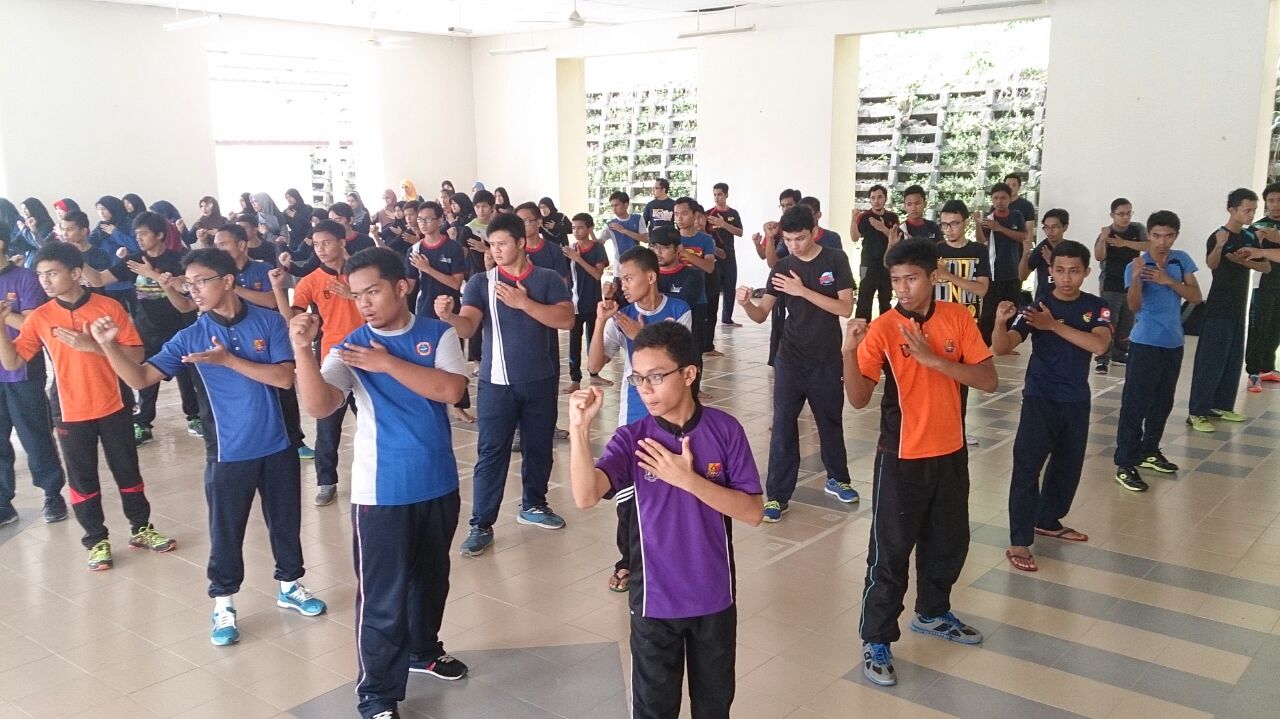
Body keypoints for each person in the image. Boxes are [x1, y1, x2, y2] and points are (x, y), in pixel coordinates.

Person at [93, 247, 326, 644]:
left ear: (228, 281)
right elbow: (141, 379)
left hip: (277, 443)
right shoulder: (191, 336)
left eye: (201, 281)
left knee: (286, 520)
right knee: (226, 530)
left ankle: (290, 584)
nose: (194, 290)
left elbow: (285, 378)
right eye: (189, 284)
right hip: (228, 452)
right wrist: (108, 345)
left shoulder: (270, 323)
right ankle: (223, 602)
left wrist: (228, 361)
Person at [291, 247, 470, 718]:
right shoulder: (349, 346)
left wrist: (387, 362)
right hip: (381, 491)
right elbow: (320, 404)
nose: (364, 303)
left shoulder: (437, 333)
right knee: (382, 597)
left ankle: (423, 651)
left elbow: (452, 389)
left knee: (432, 580)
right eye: (357, 295)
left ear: (401, 286)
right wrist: (302, 350)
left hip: (438, 482)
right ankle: (377, 696)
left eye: (372, 291)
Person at [568, 321, 763, 719]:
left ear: (689, 374)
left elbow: (753, 512)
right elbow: (586, 496)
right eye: (638, 378)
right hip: (655, 602)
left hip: (714, 598)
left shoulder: (725, 430)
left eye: (656, 376)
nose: (645, 388)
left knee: (714, 706)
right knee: (654, 709)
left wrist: (687, 481)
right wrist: (579, 431)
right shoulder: (632, 438)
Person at [843, 238, 998, 687]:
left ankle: (932, 613)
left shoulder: (958, 318)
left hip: (950, 451)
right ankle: (876, 639)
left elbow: (987, 379)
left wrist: (933, 360)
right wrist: (849, 351)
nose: (903, 288)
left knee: (948, 542)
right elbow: (857, 399)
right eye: (896, 280)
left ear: (933, 277)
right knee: (889, 553)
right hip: (902, 456)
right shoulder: (885, 327)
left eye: (911, 278)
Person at [0, 243, 175, 570]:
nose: (45, 281)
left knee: (127, 470)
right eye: (40, 275)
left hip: (114, 402)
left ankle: (141, 528)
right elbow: (13, 362)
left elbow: (137, 356)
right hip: (69, 408)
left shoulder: (109, 307)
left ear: (76, 273)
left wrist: (92, 345)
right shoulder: (39, 318)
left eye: (51, 273)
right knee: (82, 479)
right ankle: (96, 540)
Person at [434, 213, 575, 557]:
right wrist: (450, 317)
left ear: (522, 243)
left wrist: (523, 303)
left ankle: (534, 504)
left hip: (540, 379)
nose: (495, 250)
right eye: (492, 245)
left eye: (502, 244)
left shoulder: (547, 279)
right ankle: (481, 524)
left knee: (539, 446)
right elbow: (468, 328)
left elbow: (567, 319)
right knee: (491, 454)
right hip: (496, 384)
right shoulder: (481, 282)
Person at [991, 241, 1112, 573]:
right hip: (1040, 399)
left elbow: (1100, 345)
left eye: (1074, 271)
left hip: (1076, 400)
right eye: (1059, 271)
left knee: (1067, 468)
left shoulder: (1096, 306)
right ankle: (1019, 541)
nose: (1066, 278)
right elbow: (1002, 349)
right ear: (1050, 271)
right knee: (1027, 468)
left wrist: (1054, 326)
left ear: (1086, 272)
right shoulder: (1037, 306)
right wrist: (1000, 322)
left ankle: (1047, 519)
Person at [736, 205, 856, 522]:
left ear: (813, 231)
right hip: (790, 359)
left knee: (829, 421)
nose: (792, 246)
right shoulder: (782, 268)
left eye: (799, 238)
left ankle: (838, 479)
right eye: (787, 240)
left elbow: (845, 308)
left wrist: (802, 291)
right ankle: (776, 495)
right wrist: (747, 304)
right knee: (784, 426)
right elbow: (761, 315)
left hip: (826, 359)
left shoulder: (834, 259)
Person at [587, 246, 692, 593]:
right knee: (629, 499)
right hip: (633, 417)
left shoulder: (679, 311)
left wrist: (639, 337)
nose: (624, 285)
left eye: (629, 278)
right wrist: (602, 319)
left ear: (651, 276)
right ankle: (628, 561)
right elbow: (593, 365)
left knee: (671, 492)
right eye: (620, 279)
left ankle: (669, 558)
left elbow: (683, 362)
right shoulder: (623, 316)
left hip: (673, 418)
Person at [80, 212, 201, 444]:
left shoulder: (181, 259)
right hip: (146, 330)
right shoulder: (132, 262)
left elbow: (186, 287)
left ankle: (194, 417)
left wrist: (150, 274)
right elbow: (97, 279)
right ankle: (143, 423)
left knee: (187, 376)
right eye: (136, 234)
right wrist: (77, 259)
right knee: (146, 379)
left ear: (160, 234)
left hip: (181, 329)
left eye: (143, 233)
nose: (139, 238)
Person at [270, 220, 364, 506]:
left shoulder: (362, 272)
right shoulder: (310, 280)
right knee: (327, 423)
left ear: (342, 242)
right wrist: (278, 288)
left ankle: (383, 470)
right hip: (333, 355)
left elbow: (386, 304)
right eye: (316, 244)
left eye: (327, 242)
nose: (321, 249)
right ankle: (327, 481)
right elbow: (293, 321)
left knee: (376, 420)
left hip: (370, 353)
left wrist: (354, 295)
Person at [1112, 211, 1202, 492]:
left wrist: (1169, 281)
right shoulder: (1137, 264)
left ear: (1176, 235)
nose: (1162, 242)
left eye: (1168, 236)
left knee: (1163, 401)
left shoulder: (1181, 260)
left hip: (1173, 343)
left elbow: (1196, 297)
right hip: (1145, 343)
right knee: (1135, 404)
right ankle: (1125, 463)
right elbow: (1134, 305)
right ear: (1148, 235)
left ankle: (1149, 451)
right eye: (1156, 235)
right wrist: (1139, 278)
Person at [211, 223, 315, 460]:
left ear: (241, 245)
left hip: (269, 339)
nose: (219, 249)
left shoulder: (262, 270)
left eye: (224, 244)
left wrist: (233, 288)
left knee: (283, 389)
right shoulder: (214, 275)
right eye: (216, 245)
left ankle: (295, 440)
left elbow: (271, 301)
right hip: (236, 340)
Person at [0, 223, 67, 527]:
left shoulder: (25, 278)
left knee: (35, 434)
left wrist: (4, 315)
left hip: (22, 370)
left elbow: (32, 324)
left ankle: (52, 493)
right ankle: (3, 501)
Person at [1186, 188, 1269, 432]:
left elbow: (1265, 268)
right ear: (1232, 209)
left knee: (1233, 359)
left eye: (1254, 210)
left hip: (1237, 308)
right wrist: (1220, 247)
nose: (1251, 214)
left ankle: (1222, 405)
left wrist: (1244, 260)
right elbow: (1211, 264)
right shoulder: (1218, 235)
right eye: (1247, 210)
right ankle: (1197, 412)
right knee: (1211, 360)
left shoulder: (1251, 237)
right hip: (1218, 309)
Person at [934, 200, 991, 447]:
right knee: (937, 379)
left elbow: (981, 289)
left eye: (954, 224)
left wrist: (948, 276)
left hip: (968, 323)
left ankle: (958, 430)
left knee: (962, 379)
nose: (949, 229)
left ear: (965, 222)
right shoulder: (933, 250)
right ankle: (938, 430)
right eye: (944, 224)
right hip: (938, 324)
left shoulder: (978, 251)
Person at [1092, 198, 1149, 373]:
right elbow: (1099, 256)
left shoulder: (1137, 228)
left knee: (1127, 321)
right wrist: (1103, 239)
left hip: (1131, 282)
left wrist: (1125, 243)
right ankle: (1103, 358)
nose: (1126, 217)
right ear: (1112, 215)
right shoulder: (1106, 232)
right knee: (1110, 322)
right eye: (1121, 214)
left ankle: (1120, 354)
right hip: (1110, 283)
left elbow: (1148, 245)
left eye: (1129, 213)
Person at [652, 227, 708, 399]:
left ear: (678, 249)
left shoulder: (693, 275)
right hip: (656, 334)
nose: (658, 252)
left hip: (687, 332)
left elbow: (682, 304)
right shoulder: (650, 275)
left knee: (689, 365)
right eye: (654, 247)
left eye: (665, 247)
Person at [563, 212, 611, 393]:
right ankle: (575, 379)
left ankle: (594, 373)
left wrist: (578, 259)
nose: (576, 231)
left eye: (580, 227)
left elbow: (597, 274)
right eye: (574, 227)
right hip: (574, 303)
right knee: (574, 341)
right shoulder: (570, 249)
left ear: (590, 228)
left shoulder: (597, 248)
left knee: (594, 339)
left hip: (593, 301)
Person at [975, 182, 1029, 343]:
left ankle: (1005, 342)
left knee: (1011, 309)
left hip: (1013, 271)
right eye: (996, 198)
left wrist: (1000, 228)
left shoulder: (1016, 215)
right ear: (991, 199)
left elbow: (1023, 236)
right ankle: (983, 343)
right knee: (989, 311)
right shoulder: (988, 218)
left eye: (1003, 198)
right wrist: (978, 224)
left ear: (1010, 198)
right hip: (993, 272)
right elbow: (980, 240)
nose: (999, 201)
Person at [673, 198, 717, 359]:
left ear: (695, 215)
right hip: (674, 297)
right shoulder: (671, 238)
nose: (679, 218)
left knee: (696, 346)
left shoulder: (705, 240)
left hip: (698, 299)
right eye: (676, 214)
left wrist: (685, 254)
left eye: (684, 214)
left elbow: (709, 266)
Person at [1246, 182, 1280, 391]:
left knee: (1276, 326)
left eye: (1279, 200)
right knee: (1259, 325)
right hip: (1264, 284)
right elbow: (1250, 253)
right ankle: (1253, 371)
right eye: (1271, 200)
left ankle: (1268, 367)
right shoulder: (1257, 227)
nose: (1276, 204)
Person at [851, 184, 899, 320]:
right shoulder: (864, 217)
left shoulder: (892, 217)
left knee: (886, 298)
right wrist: (853, 221)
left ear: (885, 199)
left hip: (887, 264)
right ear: (870, 200)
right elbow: (854, 237)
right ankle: (861, 333)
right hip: (867, 263)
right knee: (864, 296)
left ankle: (884, 330)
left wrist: (883, 228)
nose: (876, 201)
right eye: (873, 198)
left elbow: (896, 238)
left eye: (879, 197)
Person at [706, 183, 744, 326]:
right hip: (712, 256)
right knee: (713, 288)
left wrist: (723, 224)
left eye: (720, 194)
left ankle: (727, 319)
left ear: (726, 195)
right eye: (715, 194)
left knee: (729, 287)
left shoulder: (733, 213)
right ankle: (709, 319)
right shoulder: (708, 213)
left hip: (729, 255)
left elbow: (740, 233)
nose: (717, 197)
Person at [1022, 208, 1070, 300]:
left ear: (1065, 227)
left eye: (1054, 227)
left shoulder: (1071, 248)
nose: (1050, 231)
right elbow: (1022, 276)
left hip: (1066, 298)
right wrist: (1025, 253)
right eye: (1046, 227)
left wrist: (1052, 261)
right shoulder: (1042, 248)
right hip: (1043, 299)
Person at [604, 190, 647, 262]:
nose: (614, 209)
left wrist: (624, 231)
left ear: (626, 205)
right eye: (612, 206)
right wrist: (591, 232)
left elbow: (645, 239)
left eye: (617, 205)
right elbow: (599, 242)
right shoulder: (610, 224)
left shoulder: (637, 218)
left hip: (636, 260)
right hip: (619, 262)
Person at [1004, 172, 1038, 240]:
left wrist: (1027, 248)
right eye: (1008, 185)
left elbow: (1029, 232)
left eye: (1014, 185)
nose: (1010, 187)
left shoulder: (1027, 206)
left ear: (1019, 187)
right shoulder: (998, 205)